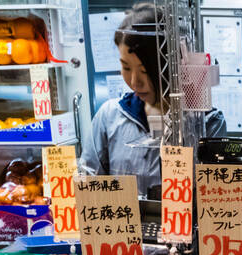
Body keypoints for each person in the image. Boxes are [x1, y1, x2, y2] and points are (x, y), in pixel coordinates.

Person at [80, 2, 226, 197]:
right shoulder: (109, 116)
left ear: (172, 66)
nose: (134, 82)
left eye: (144, 71)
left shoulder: (208, 122)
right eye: (126, 67)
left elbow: (215, 195)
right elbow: (88, 185)